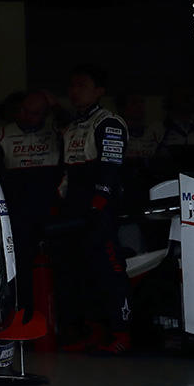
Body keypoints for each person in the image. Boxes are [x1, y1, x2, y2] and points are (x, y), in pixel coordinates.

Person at [56, 64, 133, 354]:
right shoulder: (72, 126)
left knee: (109, 268)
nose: (74, 91)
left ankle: (122, 333)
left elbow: (111, 168)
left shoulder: (109, 122)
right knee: (80, 270)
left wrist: (100, 203)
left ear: (99, 91)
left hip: (101, 206)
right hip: (75, 207)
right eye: (72, 85)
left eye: (82, 85)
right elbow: (66, 172)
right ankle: (94, 332)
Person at [0, 90, 61, 314]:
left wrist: (56, 106)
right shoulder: (1, 135)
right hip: (18, 212)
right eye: (24, 110)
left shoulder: (57, 132)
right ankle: (23, 311)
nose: (27, 116)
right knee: (20, 263)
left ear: (45, 114)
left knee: (60, 263)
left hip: (52, 210)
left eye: (34, 113)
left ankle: (60, 316)